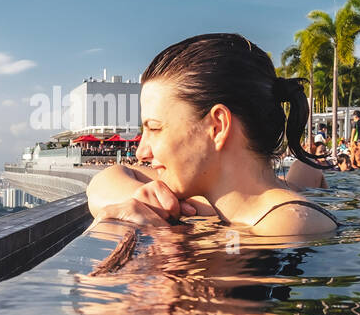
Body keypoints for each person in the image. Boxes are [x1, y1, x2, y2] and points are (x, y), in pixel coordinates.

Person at [85, 33, 338, 236]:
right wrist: (149, 201)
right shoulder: (222, 204)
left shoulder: (285, 226)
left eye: (154, 128)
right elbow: (103, 182)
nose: (141, 151)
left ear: (216, 127)